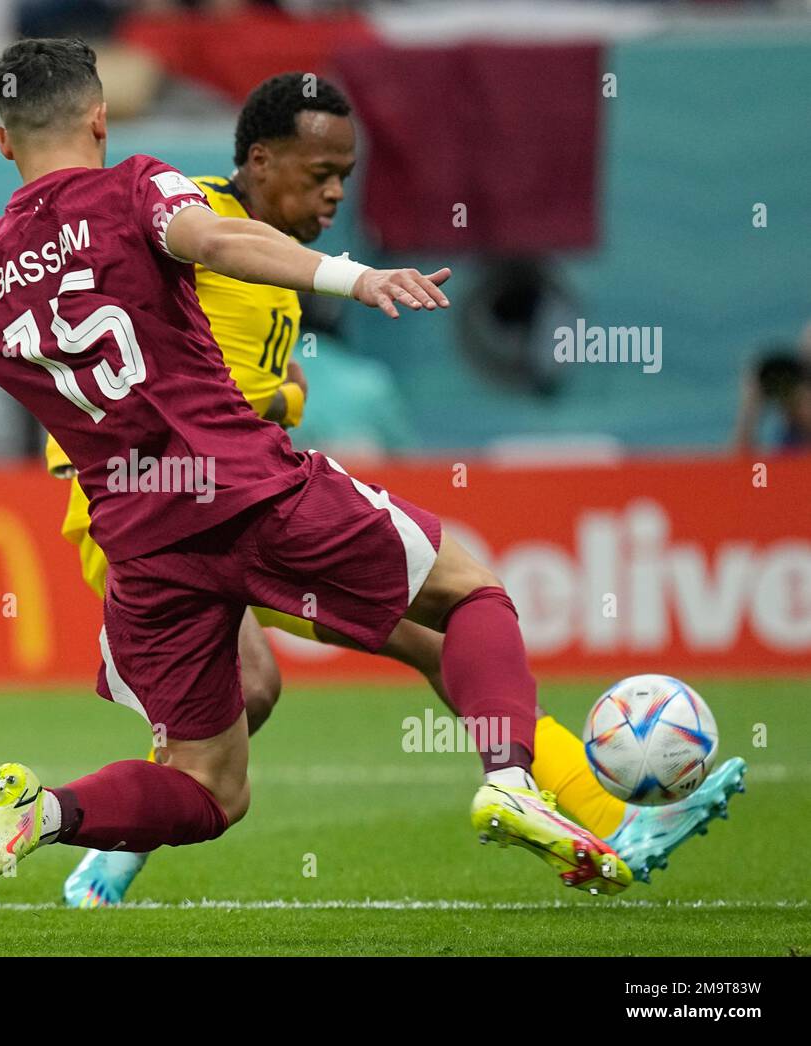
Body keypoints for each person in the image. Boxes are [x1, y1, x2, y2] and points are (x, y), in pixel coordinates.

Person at [0, 37, 648, 916]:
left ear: (2, 144)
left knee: (211, 786)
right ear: (101, 120)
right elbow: (218, 239)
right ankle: (511, 782)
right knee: (471, 593)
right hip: (248, 488)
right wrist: (357, 277)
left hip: (141, 548)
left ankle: (42, 813)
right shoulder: (135, 183)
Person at [43, 71, 747, 909]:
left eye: (346, 172)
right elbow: (141, 364)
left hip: (221, 504)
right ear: (259, 162)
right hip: (145, 510)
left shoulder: (269, 255)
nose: (337, 191)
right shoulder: (195, 225)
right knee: (425, 624)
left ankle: (97, 858)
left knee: (350, 662)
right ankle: (580, 804)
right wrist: (284, 385)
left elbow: (238, 386)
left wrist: (279, 396)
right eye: (319, 172)